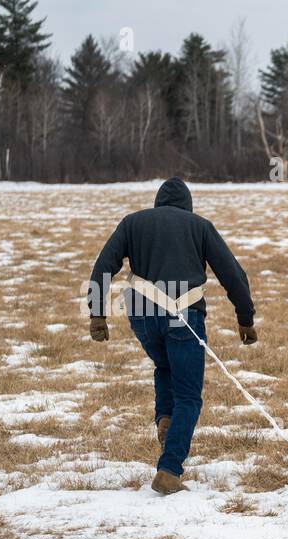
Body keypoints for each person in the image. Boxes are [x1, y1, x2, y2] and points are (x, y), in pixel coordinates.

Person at [86, 177, 257, 495]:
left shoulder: (132, 222)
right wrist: (245, 318)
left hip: (140, 315)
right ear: (187, 205)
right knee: (189, 396)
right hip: (183, 315)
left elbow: (102, 267)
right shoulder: (200, 226)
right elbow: (233, 274)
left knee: (164, 366)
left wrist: (97, 314)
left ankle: (166, 420)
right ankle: (169, 470)